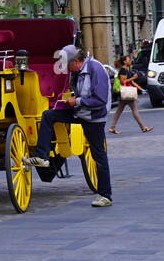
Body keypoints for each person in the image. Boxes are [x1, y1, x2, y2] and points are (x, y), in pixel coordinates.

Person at [26, 44, 114, 207]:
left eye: (67, 65)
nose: (66, 69)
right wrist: (69, 100)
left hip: (94, 118)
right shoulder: (77, 73)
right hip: (79, 112)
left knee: (98, 156)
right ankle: (42, 157)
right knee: (49, 115)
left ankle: (105, 195)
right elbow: (79, 93)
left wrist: (77, 101)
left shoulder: (96, 69)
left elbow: (100, 100)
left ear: (75, 61)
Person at [109, 55, 152, 135]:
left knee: (119, 111)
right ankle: (143, 127)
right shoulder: (123, 71)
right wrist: (133, 78)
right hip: (126, 92)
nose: (130, 61)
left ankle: (112, 127)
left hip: (125, 94)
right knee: (134, 110)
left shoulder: (127, 70)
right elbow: (123, 82)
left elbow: (132, 82)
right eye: (128, 60)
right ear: (125, 62)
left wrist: (142, 90)